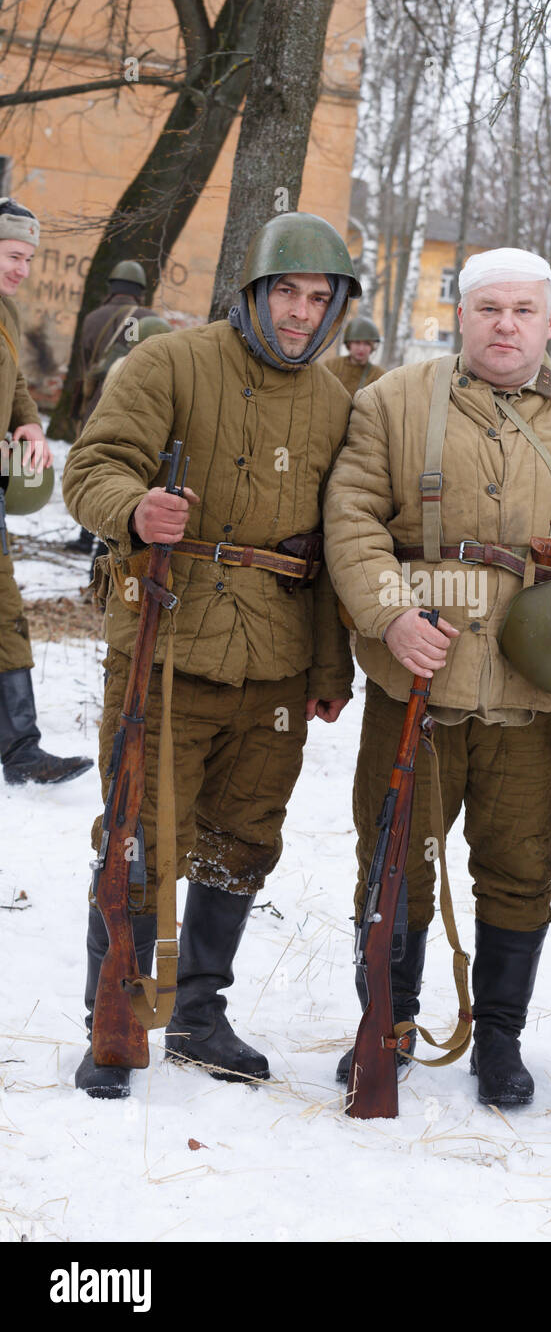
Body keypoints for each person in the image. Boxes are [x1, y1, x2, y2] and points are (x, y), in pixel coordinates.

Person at [324, 247, 551, 1106]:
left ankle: (499, 1041)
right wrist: (390, 611)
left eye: (523, 311)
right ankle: (385, 1027)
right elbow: (350, 518)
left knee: (519, 869)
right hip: (414, 690)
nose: (506, 325)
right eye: (488, 309)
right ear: (460, 317)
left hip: (535, 699)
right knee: (395, 860)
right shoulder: (390, 402)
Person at [63, 212, 360, 1099]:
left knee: (243, 840)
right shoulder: (167, 363)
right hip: (167, 637)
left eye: (320, 298)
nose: (302, 313)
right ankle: (114, 1012)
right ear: (252, 292)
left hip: (274, 658)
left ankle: (198, 1011)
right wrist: (135, 509)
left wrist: (328, 669)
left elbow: (332, 549)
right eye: (287, 293)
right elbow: (92, 467)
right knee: (141, 834)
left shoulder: (339, 400)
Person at [0, 196, 93, 786]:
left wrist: (28, 419)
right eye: (13, 255)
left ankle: (20, 750)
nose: (23, 269)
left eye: (29, 258)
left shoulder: (6, 312)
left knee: (5, 609)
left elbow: (13, 381)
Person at [65, 260, 155, 556]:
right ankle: (109, 538)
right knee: (124, 468)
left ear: (112, 286)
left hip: (97, 401)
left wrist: (77, 408)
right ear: (140, 290)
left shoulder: (93, 318)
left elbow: (84, 365)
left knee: (95, 466)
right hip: (133, 404)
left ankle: (84, 536)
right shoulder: (151, 319)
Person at [326, 315, 386, 396]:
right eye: (357, 342)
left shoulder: (378, 375)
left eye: (366, 344)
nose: (361, 349)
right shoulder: (331, 366)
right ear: (349, 344)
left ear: (372, 347)